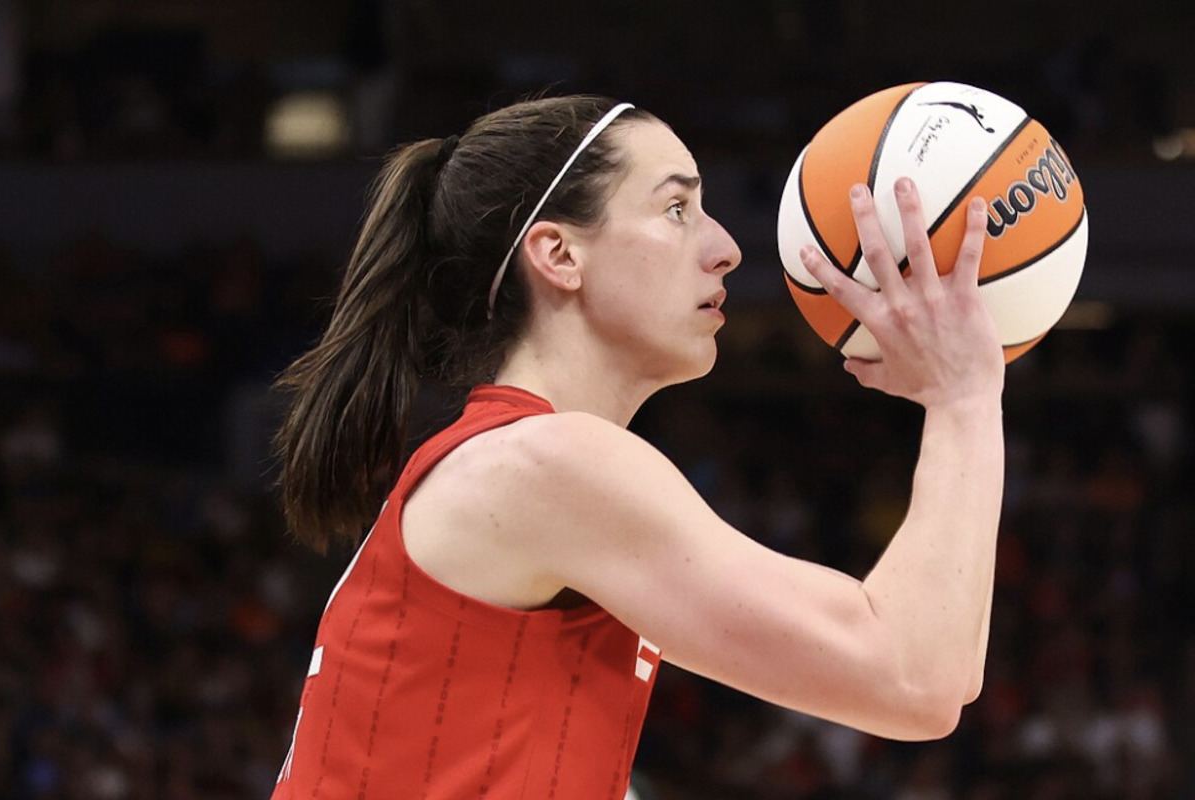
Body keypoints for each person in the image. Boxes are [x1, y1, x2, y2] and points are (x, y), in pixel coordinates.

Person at [268, 94, 1005, 799]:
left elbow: (947, 671)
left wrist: (964, 400)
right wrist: (963, 398)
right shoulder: (546, 466)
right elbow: (912, 677)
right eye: (677, 209)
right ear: (559, 254)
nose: (725, 249)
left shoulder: (520, 465)